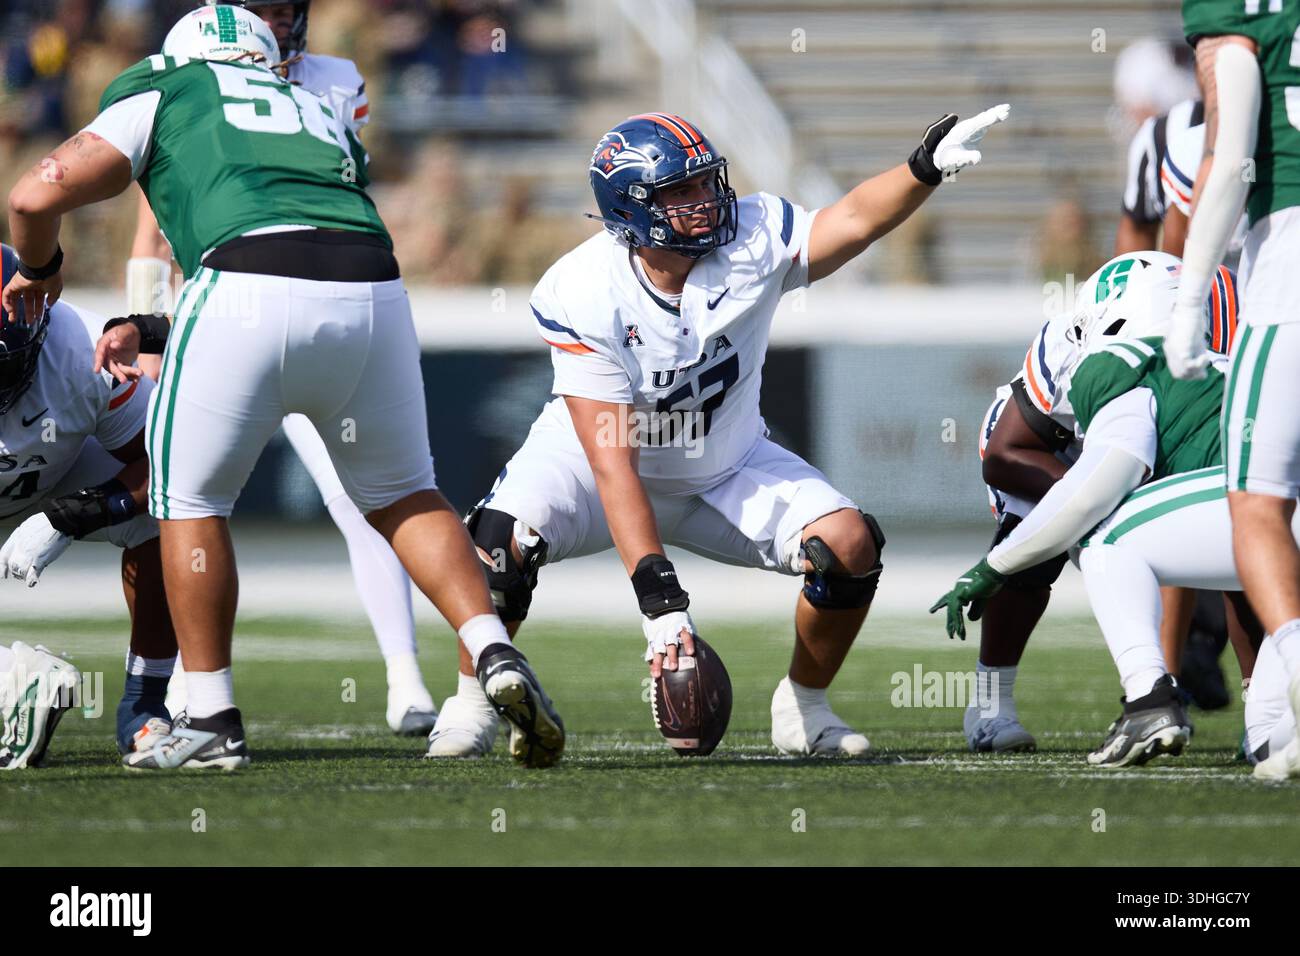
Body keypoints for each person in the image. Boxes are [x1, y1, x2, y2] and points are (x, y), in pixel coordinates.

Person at [3, 4, 564, 771]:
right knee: (405, 494)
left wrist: (39, 268)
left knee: (187, 500)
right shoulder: (309, 103)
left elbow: (36, 194)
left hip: (240, 282)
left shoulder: (165, 84)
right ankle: (492, 650)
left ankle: (210, 717)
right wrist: (159, 324)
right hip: (372, 285)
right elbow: (299, 236)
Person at [426, 105, 1011, 757]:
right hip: (593, 470)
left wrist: (921, 169)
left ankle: (805, 706)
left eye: (705, 182)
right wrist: (660, 603)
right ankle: (472, 702)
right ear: (631, 209)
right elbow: (614, 465)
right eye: (680, 192)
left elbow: (851, 219)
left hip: (724, 465)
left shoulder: (754, 236)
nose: (704, 201)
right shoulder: (584, 288)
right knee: (498, 543)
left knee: (849, 546)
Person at [125, 1, 436, 737]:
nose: (271, 18)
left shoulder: (330, 78)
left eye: (280, 6)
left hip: (302, 294)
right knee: (171, 502)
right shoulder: (189, 78)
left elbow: (333, 186)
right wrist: (151, 334)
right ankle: (175, 689)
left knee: (358, 500)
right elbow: (152, 229)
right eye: (256, 6)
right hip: (223, 307)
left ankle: (404, 675)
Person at [933, 260, 1260, 767]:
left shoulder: (1239, 326)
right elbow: (1006, 454)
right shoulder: (1088, 348)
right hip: (1059, 446)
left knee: (1247, 551)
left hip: (1147, 443)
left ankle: (1257, 711)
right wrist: (1082, 508)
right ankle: (990, 703)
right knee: (1042, 538)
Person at [1165, 0, 1300, 779]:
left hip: (1286, 276)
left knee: (1257, 502)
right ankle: (1278, 720)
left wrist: (1190, 298)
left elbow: (1229, 147)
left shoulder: (1242, 21)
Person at [0, 244, 172, 758]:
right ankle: (14, 684)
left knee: (169, 520)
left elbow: (168, 461)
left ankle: (146, 704)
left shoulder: (82, 352)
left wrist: (76, 513)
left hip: (61, 474)